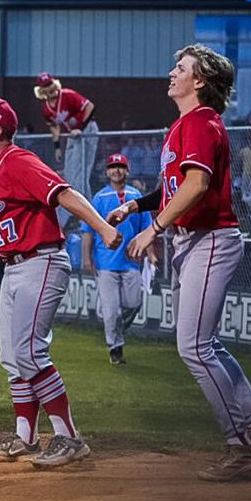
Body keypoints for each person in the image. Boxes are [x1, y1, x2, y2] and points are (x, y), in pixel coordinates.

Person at [113, 44, 251, 482]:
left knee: (193, 347)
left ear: (201, 80)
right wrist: (136, 207)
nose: (172, 73)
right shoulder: (185, 124)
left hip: (210, 239)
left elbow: (197, 185)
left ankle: (240, 445)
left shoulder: (202, 121)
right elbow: (174, 189)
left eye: (181, 68)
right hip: (193, 241)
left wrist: (153, 229)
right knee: (205, 344)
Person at [0, 96, 120, 468]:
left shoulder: (18, 160)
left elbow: (63, 193)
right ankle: (26, 438)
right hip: (15, 267)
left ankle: (69, 437)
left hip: (41, 261)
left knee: (30, 353)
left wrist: (102, 228)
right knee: (12, 357)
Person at [82, 153, 153, 365]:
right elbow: (88, 230)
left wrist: (151, 254)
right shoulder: (99, 198)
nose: (117, 170)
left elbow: (147, 227)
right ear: (107, 172)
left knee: (134, 303)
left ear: (127, 171)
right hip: (106, 261)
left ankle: (115, 330)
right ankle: (115, 347)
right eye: (113, 167)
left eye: (121, 166)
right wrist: (86, 258)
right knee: (112, 310)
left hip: (131, 259)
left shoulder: (135, 196)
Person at [34, 72, 99, 214]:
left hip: (86, 130)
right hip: (72, 134)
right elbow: (54, 127)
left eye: (50, 84)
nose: (50, 88)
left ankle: (90, 211)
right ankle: (78, 211)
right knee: (70, 174)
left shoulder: (67, 95)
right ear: (41, 90)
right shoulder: (46, 107)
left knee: (82, 173)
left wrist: (80, 127)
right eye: (45, 86)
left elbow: (89, 107)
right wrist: (57, 146)